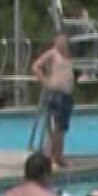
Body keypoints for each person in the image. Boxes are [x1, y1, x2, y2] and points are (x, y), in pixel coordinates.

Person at [31, 34, 77, 169]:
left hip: (66, 95)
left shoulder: (68, 56)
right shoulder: (52, 53)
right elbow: (35, 66)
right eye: (60, 40)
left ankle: (59, 156)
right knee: (54, 128)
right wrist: (45, 82)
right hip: (55, 94)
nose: (63, 42)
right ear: (56, 41)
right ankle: (49, 158)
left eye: (65, 40)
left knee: (62, 128)